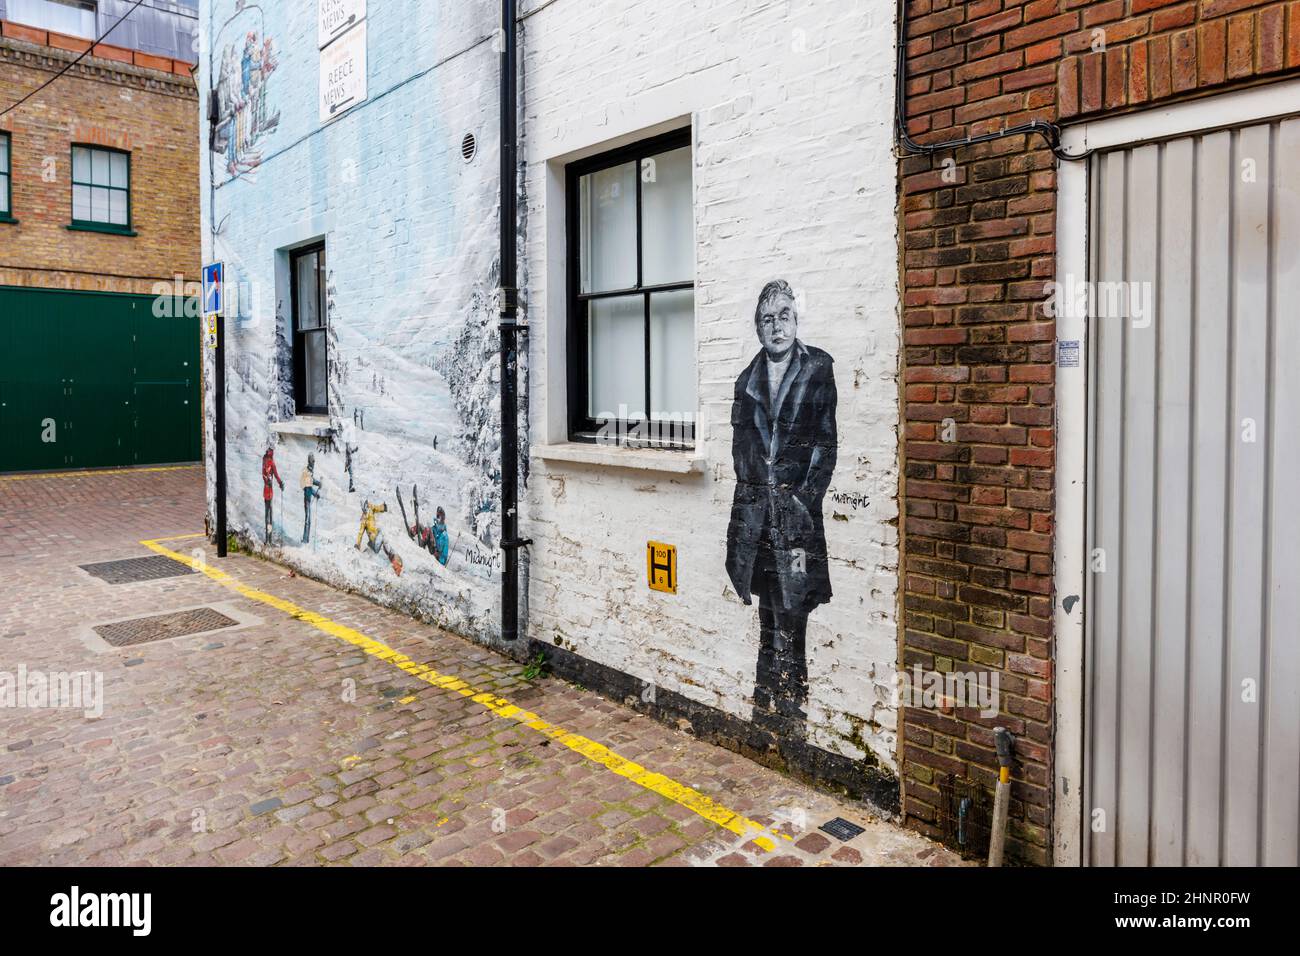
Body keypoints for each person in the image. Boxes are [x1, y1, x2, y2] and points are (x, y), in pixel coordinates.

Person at [725, 280, 837, 737]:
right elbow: (740, 452)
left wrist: (800, 500)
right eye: (768, 319)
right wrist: (757, 492)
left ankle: (793, 717)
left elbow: (825, 446)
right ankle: (765, 711)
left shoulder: (818, 368)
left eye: (785, 315)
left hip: (796, 523)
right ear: (757, 327)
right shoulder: (745, 379)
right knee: (767, 615)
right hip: (756, 522)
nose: (777, 326)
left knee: (794, 616)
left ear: (797, 319)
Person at [397, 486, 451, 566]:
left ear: (442, 518)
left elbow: (442, 552)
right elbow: (428, 533)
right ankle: (411, 532)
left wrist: (438, 557)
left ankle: (420, 546)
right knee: (422, 526)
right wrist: (427, 534)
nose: (438, 517)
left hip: (438, 558)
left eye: (439, 516)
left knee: (428, 530)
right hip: (433, 549)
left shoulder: (444, 535)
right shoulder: (436, 527)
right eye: (437, 515)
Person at [356, 500, 403, 575]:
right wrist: (357, 544)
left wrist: (383, 507)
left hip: (376, 537)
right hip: (374, 541)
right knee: (383, 538)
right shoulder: (364, 520)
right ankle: (393, 559)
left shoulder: (371, 509)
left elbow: (377, 508)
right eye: (365, 509)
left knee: (382, 538)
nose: (367, 510)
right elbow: (360, 533)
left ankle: (394, 560)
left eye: (367, 507)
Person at [261, 446, 284, 544]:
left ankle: (269, 539)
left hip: (269, 491)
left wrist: (280, 483)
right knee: (268, 516)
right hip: (267, 491)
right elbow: (263, 474)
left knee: (269, 516)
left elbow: (276, 474)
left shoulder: (269, 462)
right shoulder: (266, 461)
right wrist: (267, 480)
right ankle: (268, 539)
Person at [301, 454, 322, 544]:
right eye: (313, 461)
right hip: (307, 499)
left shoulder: (309, 471)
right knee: (307, 520)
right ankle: (305, 539)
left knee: (308, 520)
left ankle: (306, 539)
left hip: (308, 498)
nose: (314, 463)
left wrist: (318, 483)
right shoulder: (306, 472)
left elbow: (312, 480)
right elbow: (308, 485)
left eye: (314, 461)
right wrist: (315, 493)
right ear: (310, 461)